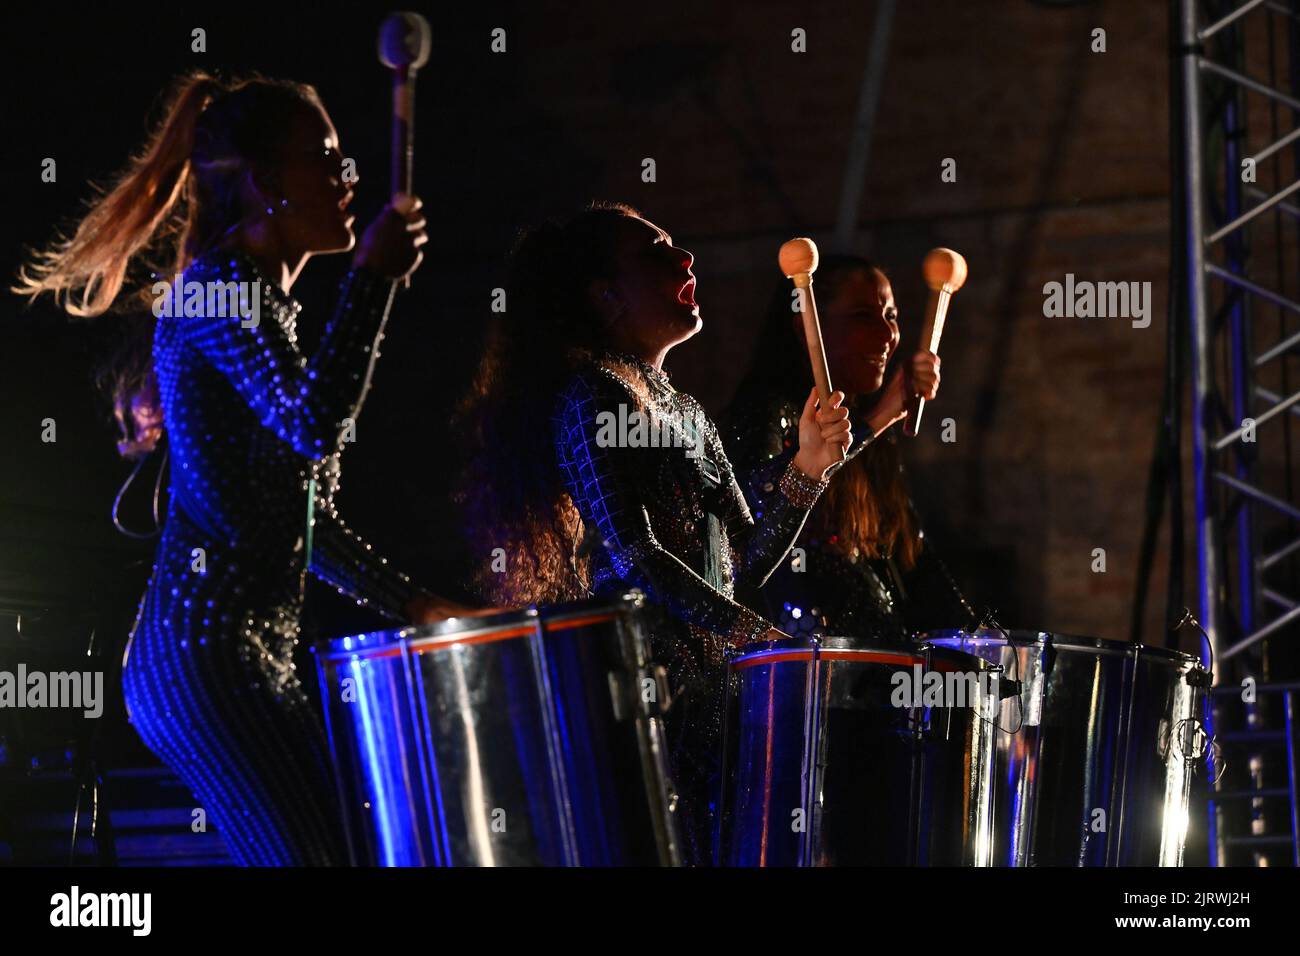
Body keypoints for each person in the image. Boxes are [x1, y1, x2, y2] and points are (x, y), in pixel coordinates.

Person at [15, 71, 466, 865]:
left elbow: (288, 515)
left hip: (229, 657)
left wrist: (412, 602)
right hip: (207, 656)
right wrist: (372, 281)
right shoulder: (218, 290)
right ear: (263, 183)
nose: (346, 177)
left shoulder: (245, 296)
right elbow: (311, 423)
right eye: (323, 157)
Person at [455, 201, 851, 863]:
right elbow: (637, 556)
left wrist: (808, 466)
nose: (685, 258)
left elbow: (744, 558)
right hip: (643, 696)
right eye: (656, 253)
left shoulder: (685, 407)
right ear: (604, 296)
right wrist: (758, 636)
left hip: (712, 696)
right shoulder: (592, 394)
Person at [726, 254, 980, 644]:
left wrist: (977, 641)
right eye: (864, 316)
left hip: (871, 669)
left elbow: (910, 556)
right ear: (806, 327)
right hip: (799, 671)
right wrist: (878, 418)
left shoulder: (873, 441)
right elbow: (756, 515)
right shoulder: (765, 408)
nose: (887, 336)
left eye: (891, 316)